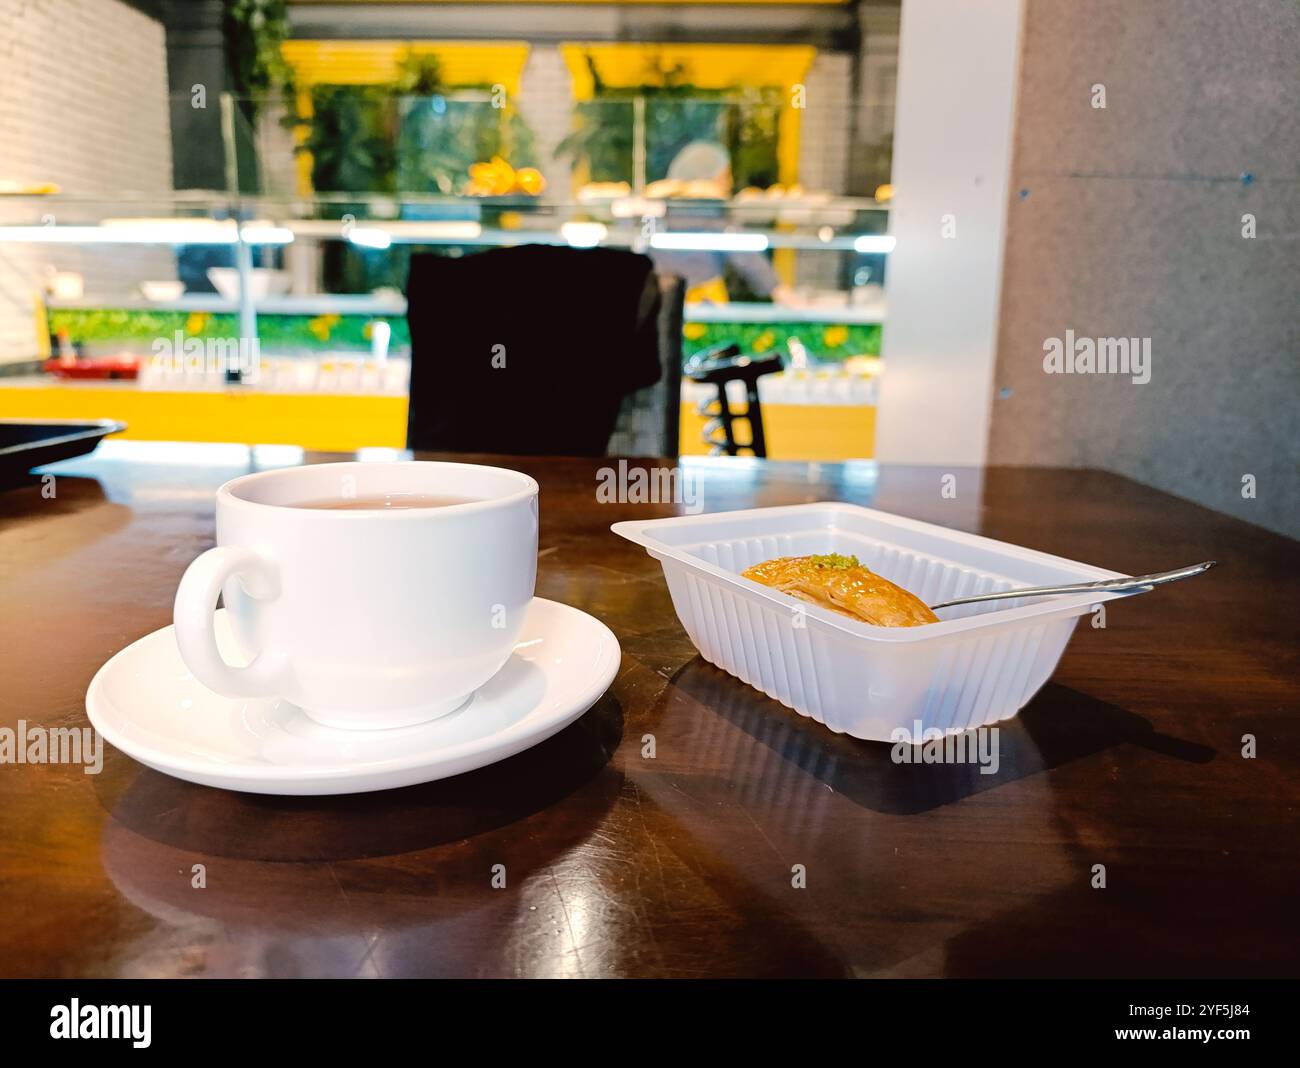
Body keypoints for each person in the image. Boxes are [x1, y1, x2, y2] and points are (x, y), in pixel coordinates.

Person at [649, 141, 802, 306]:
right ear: (707, 176)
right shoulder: (713, 210)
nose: (729, 183)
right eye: (725, 176)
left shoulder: (656, 208)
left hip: (662, 301)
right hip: (705, 303)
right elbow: (746, 257)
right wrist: (780, 291)